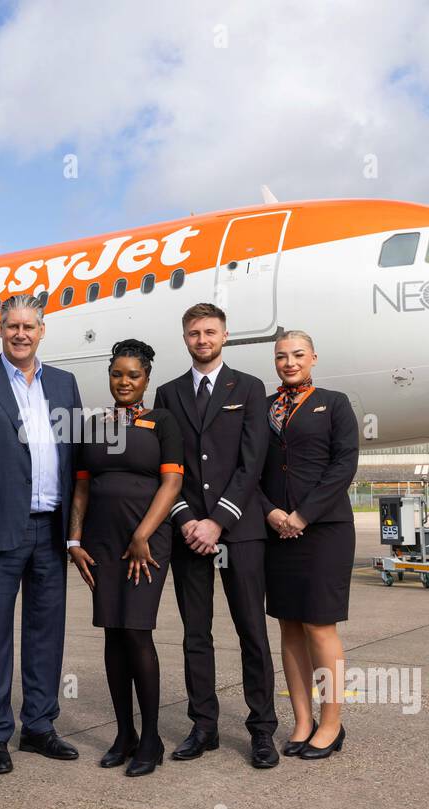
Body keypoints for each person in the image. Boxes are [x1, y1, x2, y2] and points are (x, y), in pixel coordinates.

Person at [0, 293, 83, 775]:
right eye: (12, 326)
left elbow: (75, 462)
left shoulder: (64, 385)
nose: (20, 333)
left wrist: (76, 533)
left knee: (46, 634)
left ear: (42, 331)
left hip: (51, 530)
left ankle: (40, 726)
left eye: (29, 326)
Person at [154, 302, 279, 769]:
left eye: (210, 332)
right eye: (193, 333)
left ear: (225, 336)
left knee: (251, 631)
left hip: (239, 531)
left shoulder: (249, 388)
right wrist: (186, 518)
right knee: (195, 635)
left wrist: (218, 521)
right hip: (189, 533)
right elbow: (167, 464)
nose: (202, 339)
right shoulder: (167, 394)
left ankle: (262, 729)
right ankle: (203, 725)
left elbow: (252, 463)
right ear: (184, 338)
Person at [68, 339, 183, 777]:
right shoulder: (93, 425)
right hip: (100, 541)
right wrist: (74, 541)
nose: (124, 381)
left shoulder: (163, 421)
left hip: (146, 542)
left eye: (133, 375)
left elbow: (171, 485)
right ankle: (124, 734)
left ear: (146, 380)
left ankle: (150, 737)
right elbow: (81, 487)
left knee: (137, 632)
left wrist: (142, 535)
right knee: (112, 634)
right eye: (117, 374)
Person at [259, 329, 359, 760]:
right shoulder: (264, 409)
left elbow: (344, 465)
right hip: (277, 530)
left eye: (298, 355)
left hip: (324, 529)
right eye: (282, 356)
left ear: (313, 357)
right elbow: (250, 471)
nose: (290, 362)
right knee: (288, 626)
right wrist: (270, 512)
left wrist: (302, 515)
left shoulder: (334, 403)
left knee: (320, 625)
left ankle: (332, 722)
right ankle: (302, 720)